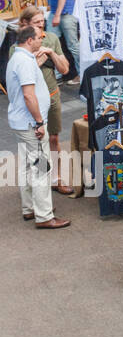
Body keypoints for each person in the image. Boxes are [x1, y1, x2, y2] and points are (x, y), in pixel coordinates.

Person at [6, 25, 70, 229]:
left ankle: (30, 208)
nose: (42, 40)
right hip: (30, 124)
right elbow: (28, 95)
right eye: (39, 37)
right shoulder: (24, 62)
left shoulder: (19, 58)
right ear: (30, 40)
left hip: (20, 122)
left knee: (27, 166)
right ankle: (44, 216)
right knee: (41, 168)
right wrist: (39, 122)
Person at [19, 5, 72, 195]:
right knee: (36, 142)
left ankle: (57, 179)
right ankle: (38, 184)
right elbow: (20, 76)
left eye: (43, 22)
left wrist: (51, 53)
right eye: (36, 23)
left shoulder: (51, 38)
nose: (41, 27)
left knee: (54, 137)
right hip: (32, 100)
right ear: (25, 24)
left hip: (52, 94)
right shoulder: (17, 46)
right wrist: (36, 60)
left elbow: (65, 70)